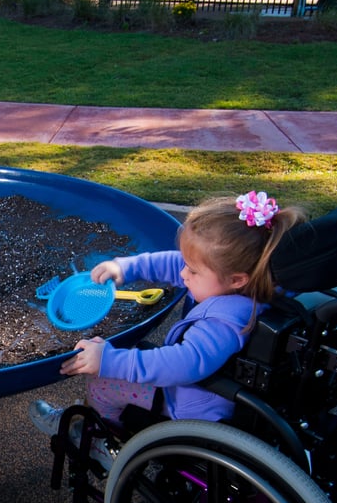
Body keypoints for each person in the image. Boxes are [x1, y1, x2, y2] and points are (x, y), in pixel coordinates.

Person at [30, 191, 307, 467]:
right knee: (128, 355)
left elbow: (184, 363)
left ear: (236, 279)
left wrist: (107, 361)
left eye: (193, 271)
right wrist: (126, 268)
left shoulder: (225, 321)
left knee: (103, 379)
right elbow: (178, 263)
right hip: (208, 392)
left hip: (195, 406)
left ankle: (101, 440)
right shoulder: (252, 281)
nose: (184, 274)